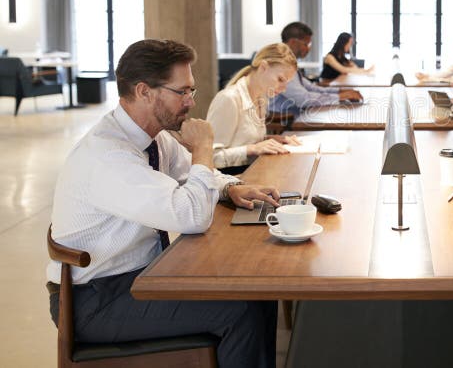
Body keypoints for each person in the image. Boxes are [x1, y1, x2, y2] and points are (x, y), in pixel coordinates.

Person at [46, 39, 283, 368]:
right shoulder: (109, 154)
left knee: (259, 293)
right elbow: (192, 216)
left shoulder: (151, 138)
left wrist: (231, 188)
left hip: (137, 276)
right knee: (240, 311)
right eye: (182, 92)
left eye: (192, 91)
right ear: (144, 91)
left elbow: (191, 174)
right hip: (95, 301)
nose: (190, 102)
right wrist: (204, 148)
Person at [207, 42, 300, 173]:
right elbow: (210, 158)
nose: (284, 89)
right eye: (280, 79)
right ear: (263, 67)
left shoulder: (261, 97)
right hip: (231, 182)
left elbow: (243, 140)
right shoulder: (229, 99)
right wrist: (253, 149)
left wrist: (270, 140)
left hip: (253, 172)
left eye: (286, 83)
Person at [270, 22, 363, 114]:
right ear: (293, 42)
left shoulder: (289, 63)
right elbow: (303, 99)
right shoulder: (281, 66)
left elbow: (311, 88)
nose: (308, 49)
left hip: (297, 113)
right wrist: (340, 96)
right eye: (306, 44)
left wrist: (339, 91)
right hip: (284, 119)